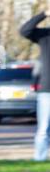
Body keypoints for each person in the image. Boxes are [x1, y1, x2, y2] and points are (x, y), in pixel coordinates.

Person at [19, 11, 50, 161]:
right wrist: (44, 14)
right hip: (47, 90)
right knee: (44, 128)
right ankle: (40, 158)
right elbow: (25, 30)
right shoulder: (45, 36)